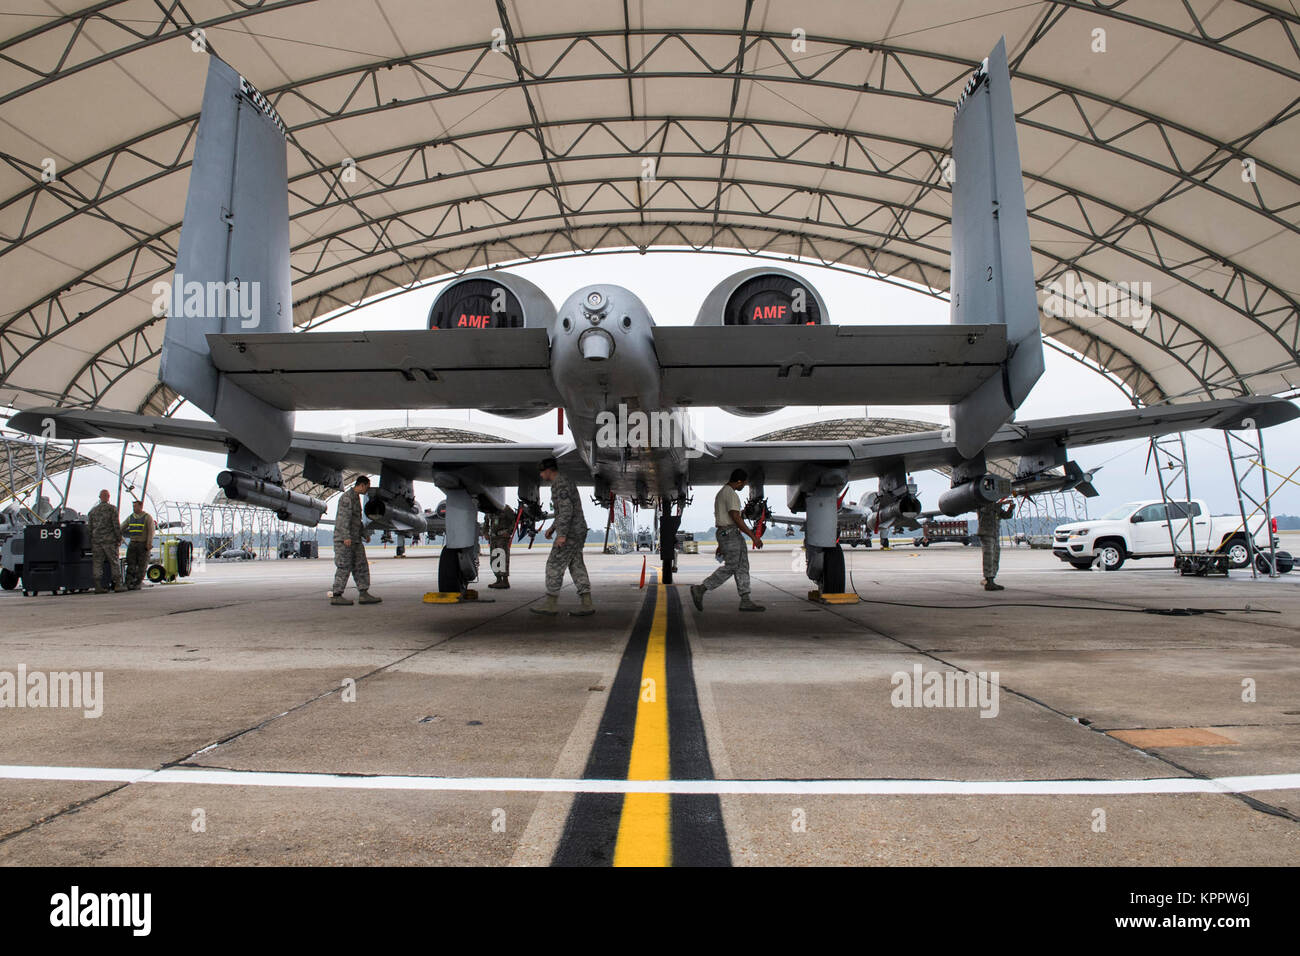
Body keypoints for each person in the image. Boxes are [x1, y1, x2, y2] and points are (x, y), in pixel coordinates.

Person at [690, 469, 765, 612]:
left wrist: (721, 543)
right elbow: (735, 517)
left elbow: (722, 518)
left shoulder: (722, 492)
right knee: (732, 566)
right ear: (738, 482)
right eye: (744, 483)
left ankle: (745, 600)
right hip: (730, 534)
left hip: (729, 534)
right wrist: (753, 536)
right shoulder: (730, 494)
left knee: (742, 565)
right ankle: (701, 588)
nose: (744, 485)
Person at [532, 458, 593, 616]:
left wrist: (562, 535)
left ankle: (551, 603)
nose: (540, 474)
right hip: (577, 530)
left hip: (571, 532)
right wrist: (553, 528)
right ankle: (587, 603)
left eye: (542, 471)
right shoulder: (561, 482)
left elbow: (566, 510)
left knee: (554, 564)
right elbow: (562, 512)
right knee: (576, 564)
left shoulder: (560, 483)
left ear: (548, 470)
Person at [332, 475, 381, 606]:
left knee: (361, 565)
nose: (367, 490)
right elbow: (343, 519)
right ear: (362, 485)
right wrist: (346, 537)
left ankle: (364, 593)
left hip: (355, 539)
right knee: (344, 566)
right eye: (367, 487)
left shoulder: (356, 499)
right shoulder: (347, 498)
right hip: (345, 540)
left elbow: (356, 520)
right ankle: (337, 595)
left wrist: (365, 534)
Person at [86, 489, 123, 594]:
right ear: (108, 497)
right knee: (114, 562)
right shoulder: (112, 509)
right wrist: (119, 538)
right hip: (109, 541)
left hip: (97, 541)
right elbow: (116, 525)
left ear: (99, 497)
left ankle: (98, 586)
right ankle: (117, 585)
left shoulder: (93, 511)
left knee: (97, 563)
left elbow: (89, 528)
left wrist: (92, 540)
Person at [978, 500, 1015, 591]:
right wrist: (1002, 503)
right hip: (986, 533)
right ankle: (989, 580)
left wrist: (1010, 509)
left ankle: (991, 579)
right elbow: (987, 509)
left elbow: (1006, 516)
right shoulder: (982, 503)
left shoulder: (996, 507)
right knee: (989, 556)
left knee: (995, 557)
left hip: (994, 534)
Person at [119, 500, 155, 590]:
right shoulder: (131, 517)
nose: (134, 508)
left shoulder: (147, 517)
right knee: (131, 564)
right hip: (133, 543)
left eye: (135, 506)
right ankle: (128, 582)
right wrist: (118, 536)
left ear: (140, 506)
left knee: (142, 565)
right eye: (133, 506)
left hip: (143, 544)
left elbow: (151, 531)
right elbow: (122, 527)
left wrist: (149, 543)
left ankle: (137, 583)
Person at [485, 506, 516, 589]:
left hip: (502, 537)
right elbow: (486, 521)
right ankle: (498, 580)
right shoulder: (489, 509)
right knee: (494, 559)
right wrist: (485, 533)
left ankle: (505, 581)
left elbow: (514, 521)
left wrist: (509, 532)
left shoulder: (506, 509)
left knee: (503, 558)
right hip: (493, 538)